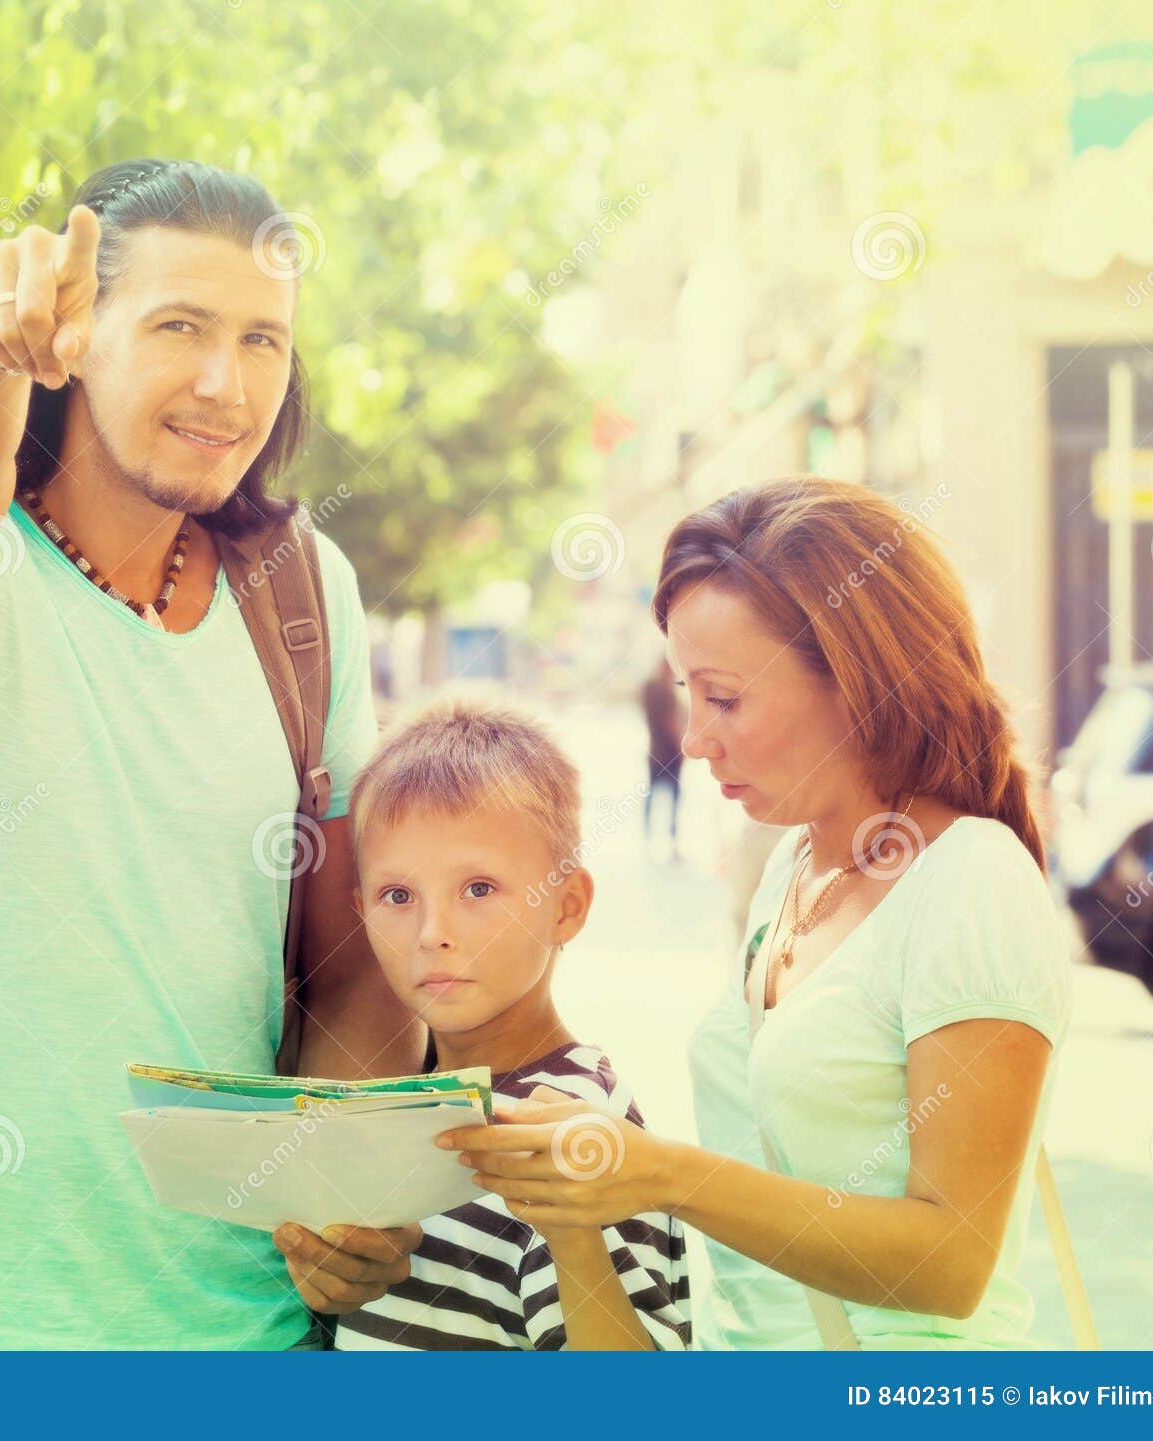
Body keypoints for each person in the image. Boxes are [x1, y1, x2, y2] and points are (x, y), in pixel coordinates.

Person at [0, 158, 423, 1350]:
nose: (222, 382)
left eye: (262, 340)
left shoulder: (302, 590)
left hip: (239, 1342)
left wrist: (341, 1161)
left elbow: (347, 944)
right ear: (76, 341)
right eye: (177, 327)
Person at [439, 476, 1073, 1350]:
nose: (695, 738)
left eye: (725, 697)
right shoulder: (790, 867)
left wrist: (659, 1175)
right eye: (688, 695)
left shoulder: (973, 882)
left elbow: (950, 1265)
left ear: (857, 679)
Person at [305, 696, 689, 1350]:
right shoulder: (397, 1096)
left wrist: (573, 1230)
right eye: (398, 896)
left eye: (479, 888)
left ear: (566, 906)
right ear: (360, 910)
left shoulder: (573, 1116)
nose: (433, 933)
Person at [639, 652, 685, 862]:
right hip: (670, 754)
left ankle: (649, 839)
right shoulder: (665, 691)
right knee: (673, 798)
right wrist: (682, 746)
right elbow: (672, 723)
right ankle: (671, 842)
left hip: (654, 752)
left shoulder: (649, 689)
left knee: (653, 794)